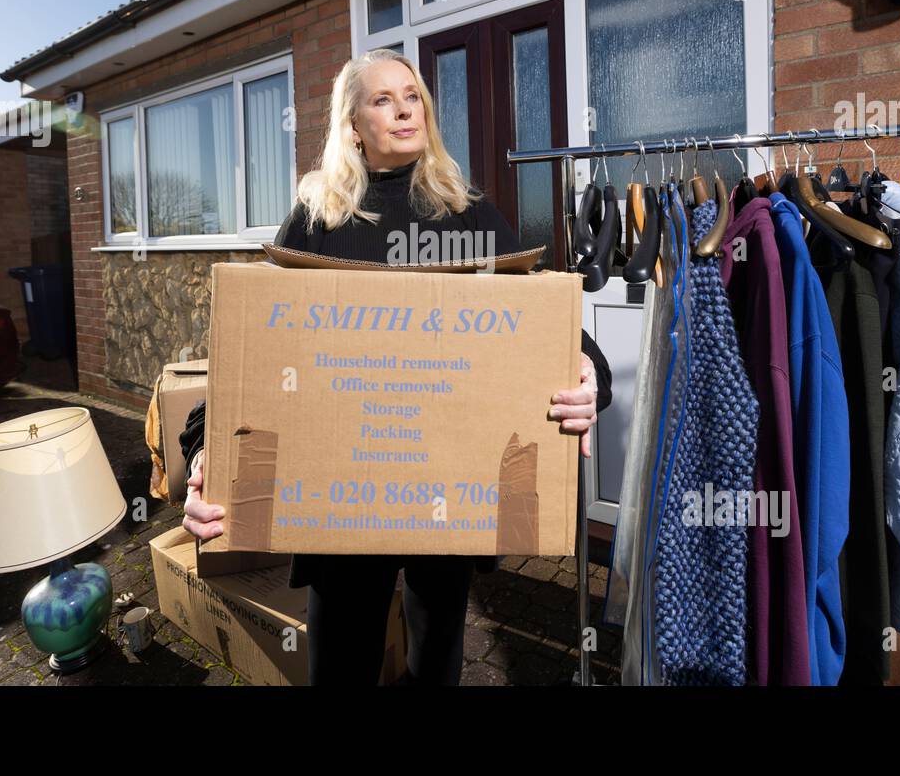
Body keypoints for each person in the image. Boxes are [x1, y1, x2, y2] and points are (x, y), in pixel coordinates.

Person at [181, 48, 612, 685]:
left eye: (412, 96)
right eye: (383, 99)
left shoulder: (467, 215)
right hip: (338, 496)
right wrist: (204, 450)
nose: (404, 109)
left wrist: (589, 376)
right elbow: (259, 352)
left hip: (446, 497)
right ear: (352, 124)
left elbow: (552, 327)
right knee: (342, 663)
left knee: (436, 658)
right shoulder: (318, 219)